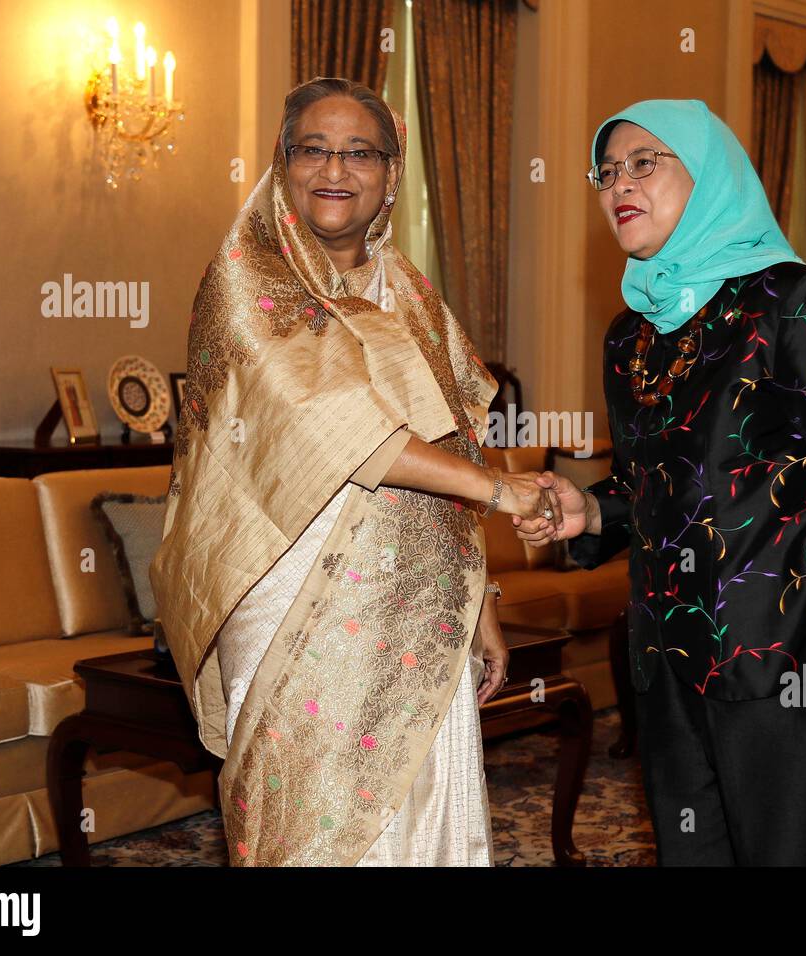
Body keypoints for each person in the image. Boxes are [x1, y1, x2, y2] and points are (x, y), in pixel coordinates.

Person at [150, 77, 561, 867]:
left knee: (419, 807)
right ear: (283, 161)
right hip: (287, 585)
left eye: (360, 152)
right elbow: (333, 429)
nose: (335, 168)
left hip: (419, 595)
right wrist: (505, 492)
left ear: (390, 175)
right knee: (306, 814)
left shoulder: (407, 293)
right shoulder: (246, 280)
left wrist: (481, 603)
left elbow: (453, 439)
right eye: (313, 148)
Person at [516, 99, 806, 865]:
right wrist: (590, 513)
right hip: (665, 666)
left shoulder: (799, 304)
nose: (617, 186)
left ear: (711, 174)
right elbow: (655, 492)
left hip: (787, 663)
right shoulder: (632, 335)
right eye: (605, 173)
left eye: (643, 163)